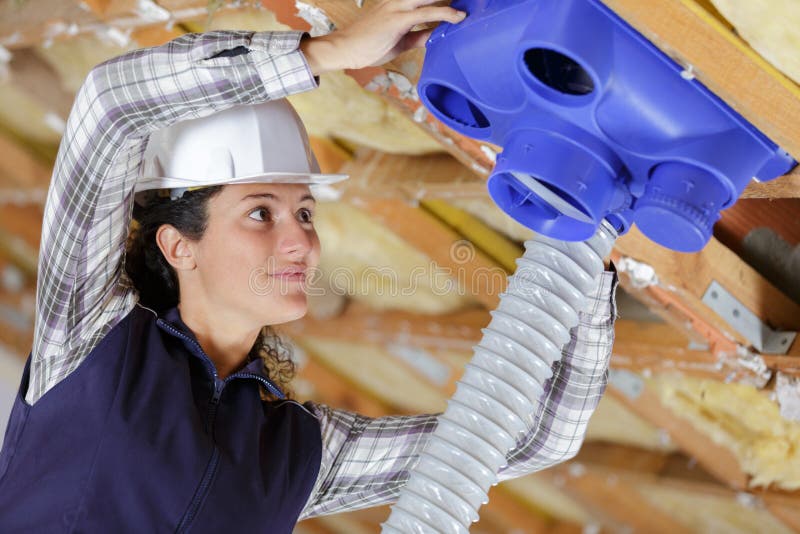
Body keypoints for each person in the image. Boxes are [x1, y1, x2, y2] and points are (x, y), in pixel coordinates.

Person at [0, 1, 618, 531]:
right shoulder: (88, 345)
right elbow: (111, 104)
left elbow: (533, 436)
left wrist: (594, 245)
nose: (300, 242)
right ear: (177, 246)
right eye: (261, 214)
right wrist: (326, 52)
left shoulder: (295, 452)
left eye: (305, 214)